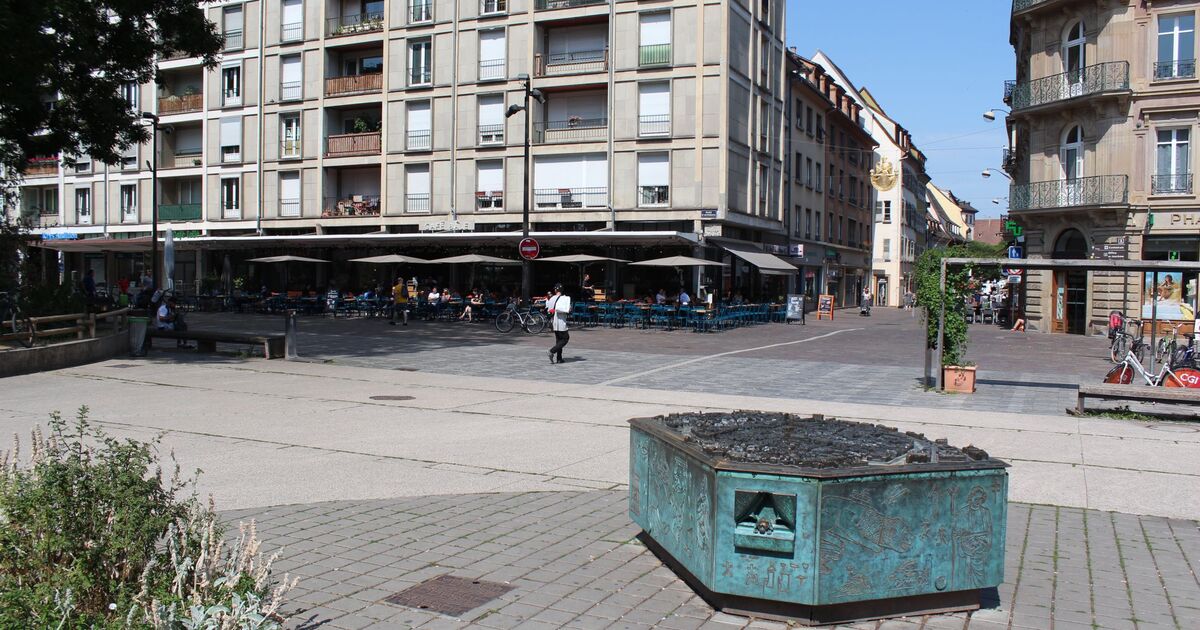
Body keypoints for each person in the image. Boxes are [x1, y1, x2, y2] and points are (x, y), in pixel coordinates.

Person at [547, 283, 572, 364]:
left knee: (558, 340)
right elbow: (569, 309)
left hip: (554, 321)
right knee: (565, 338)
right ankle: (552, 351)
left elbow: (549, 310)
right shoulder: (565, 299)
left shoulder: (551, 299)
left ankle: (559, 358)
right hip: (561, 321)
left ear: (555, 290)